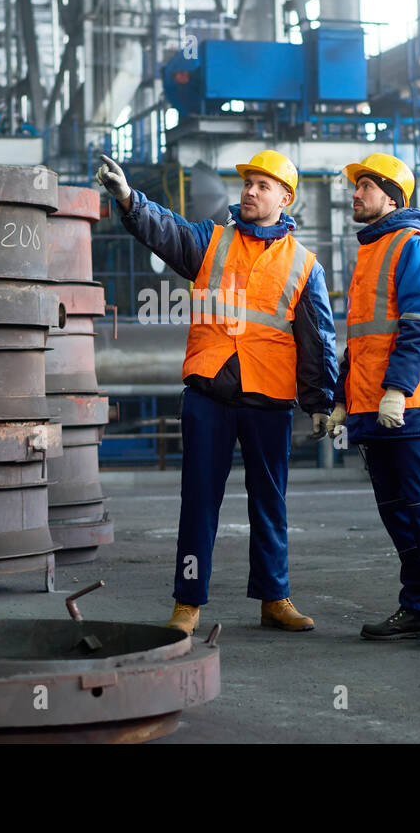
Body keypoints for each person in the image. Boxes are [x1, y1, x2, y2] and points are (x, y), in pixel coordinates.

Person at [95, 150, 338, 634]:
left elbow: (318, 338)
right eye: (247, 182)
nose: (249, 190)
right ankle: (188, 603)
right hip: (208, 393)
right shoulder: (211, 241)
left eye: (262, 185)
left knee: (270, 502)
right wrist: (128, 199)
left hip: (267, 399)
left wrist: (319, 402)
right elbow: (165, 230)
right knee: (198, 501)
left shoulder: (304, 266)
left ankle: (275, 598)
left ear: (285, 198)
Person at [324, 153, 420, 649]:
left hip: (408, 403)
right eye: (356, 186)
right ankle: (419, 606)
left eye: (365, 186)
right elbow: (361, 340)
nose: (355, 194)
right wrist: (345, 399)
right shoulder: (372, 252)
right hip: (372, 407)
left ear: (392, 196)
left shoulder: (416, 245)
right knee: (397, 512)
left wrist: (397, 390)